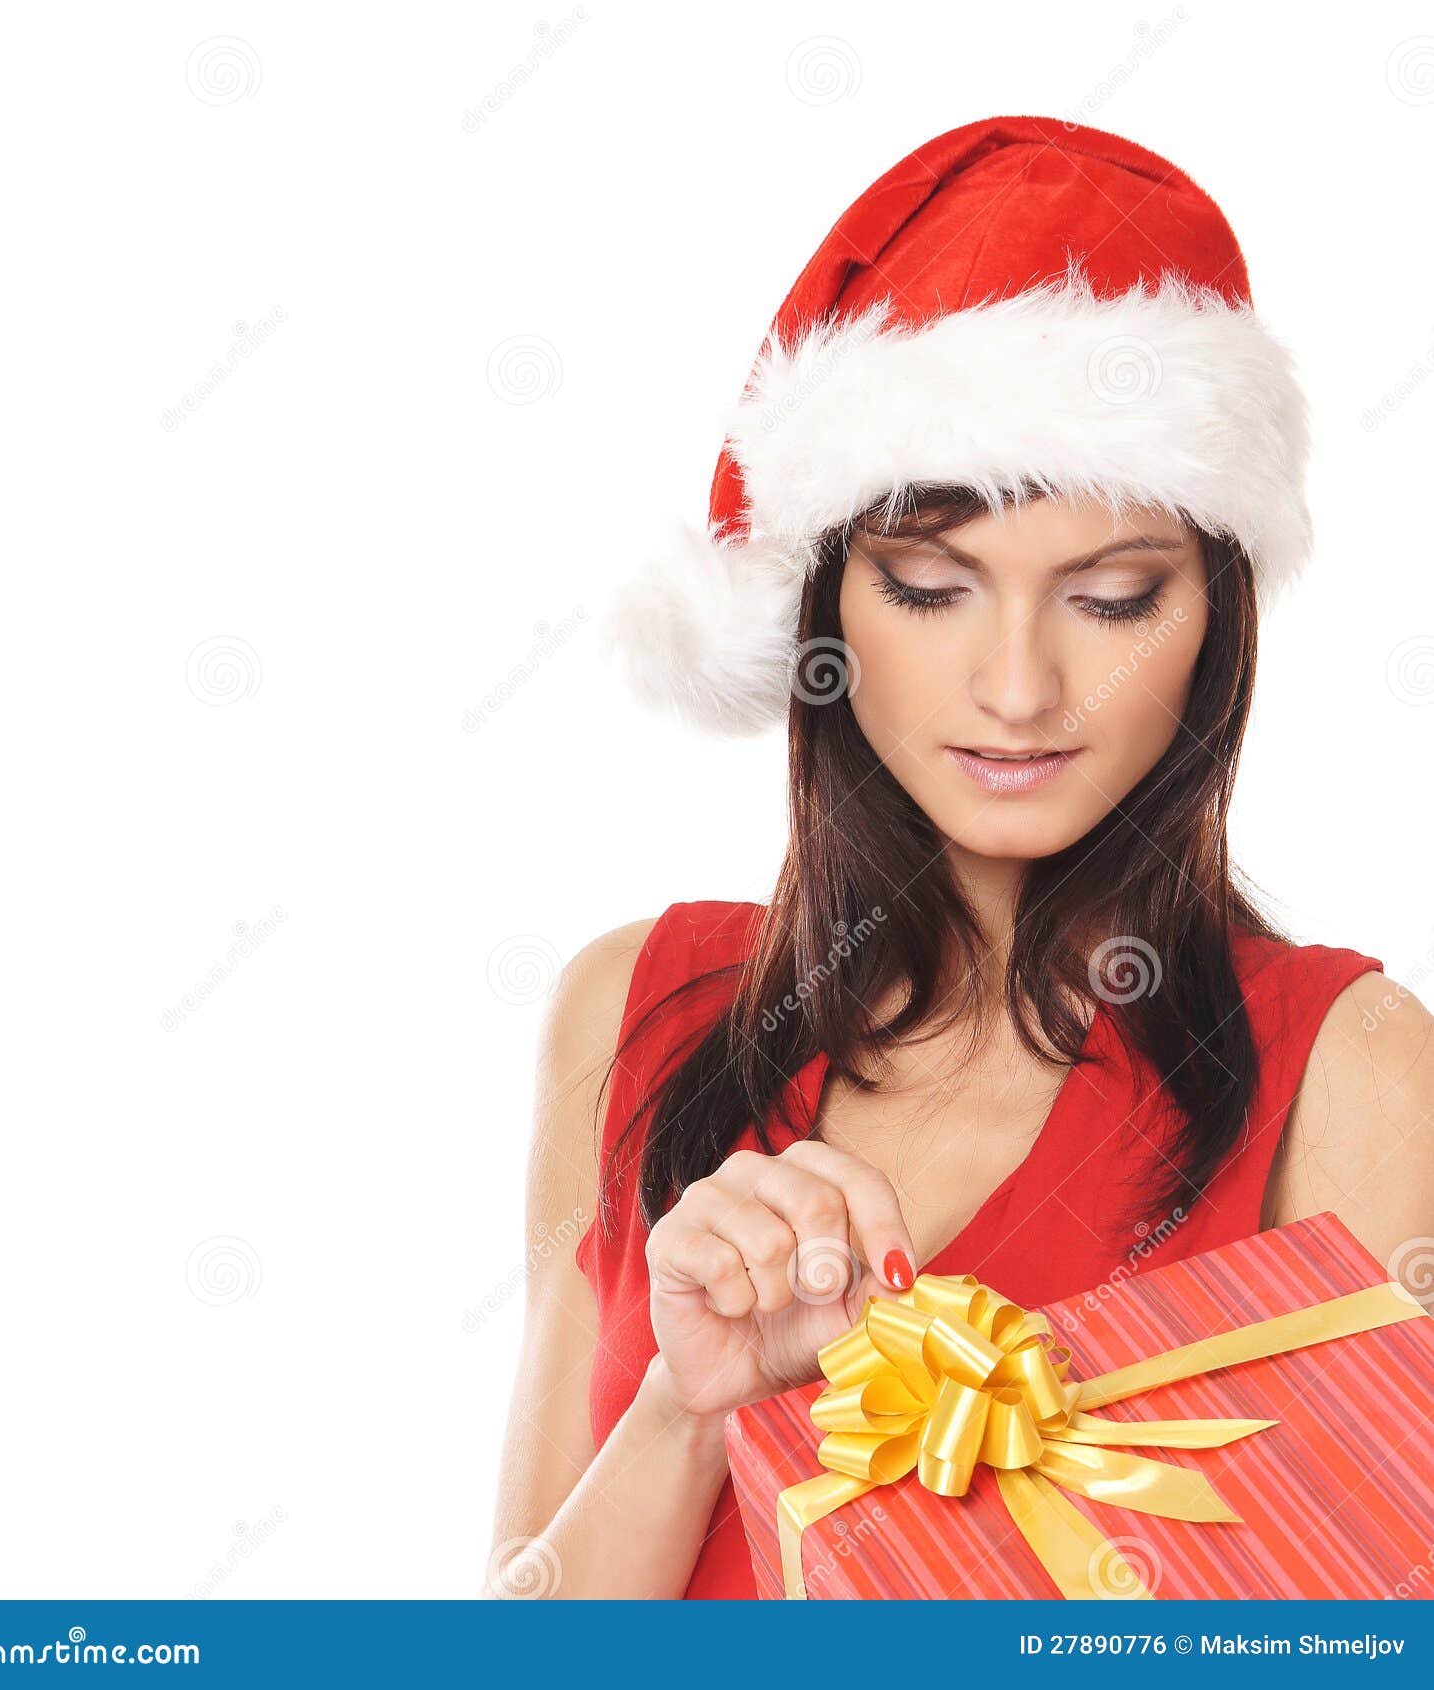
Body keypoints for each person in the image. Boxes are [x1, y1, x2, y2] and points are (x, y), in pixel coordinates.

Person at [484, 115, 1434, 1600]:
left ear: (1216, 619)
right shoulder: (630, 1012)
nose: (1015, 688)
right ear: (822, 604)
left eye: (1111, 598)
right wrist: (690, 1410)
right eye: (927, 588)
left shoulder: (1350, 1069)